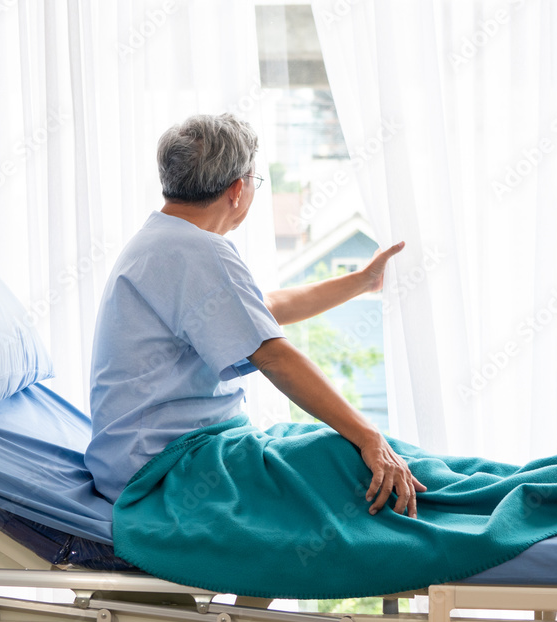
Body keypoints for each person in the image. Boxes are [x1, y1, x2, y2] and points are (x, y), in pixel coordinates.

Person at [87, 113, 425, 517]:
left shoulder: (163, 240)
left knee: (339, 450)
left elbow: (266, 310)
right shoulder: (198, 251)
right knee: (350, 459)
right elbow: (273, 356)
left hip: (143, 459)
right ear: (236, 189)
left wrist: (362, 281)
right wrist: (370, 437)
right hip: (163, 472)